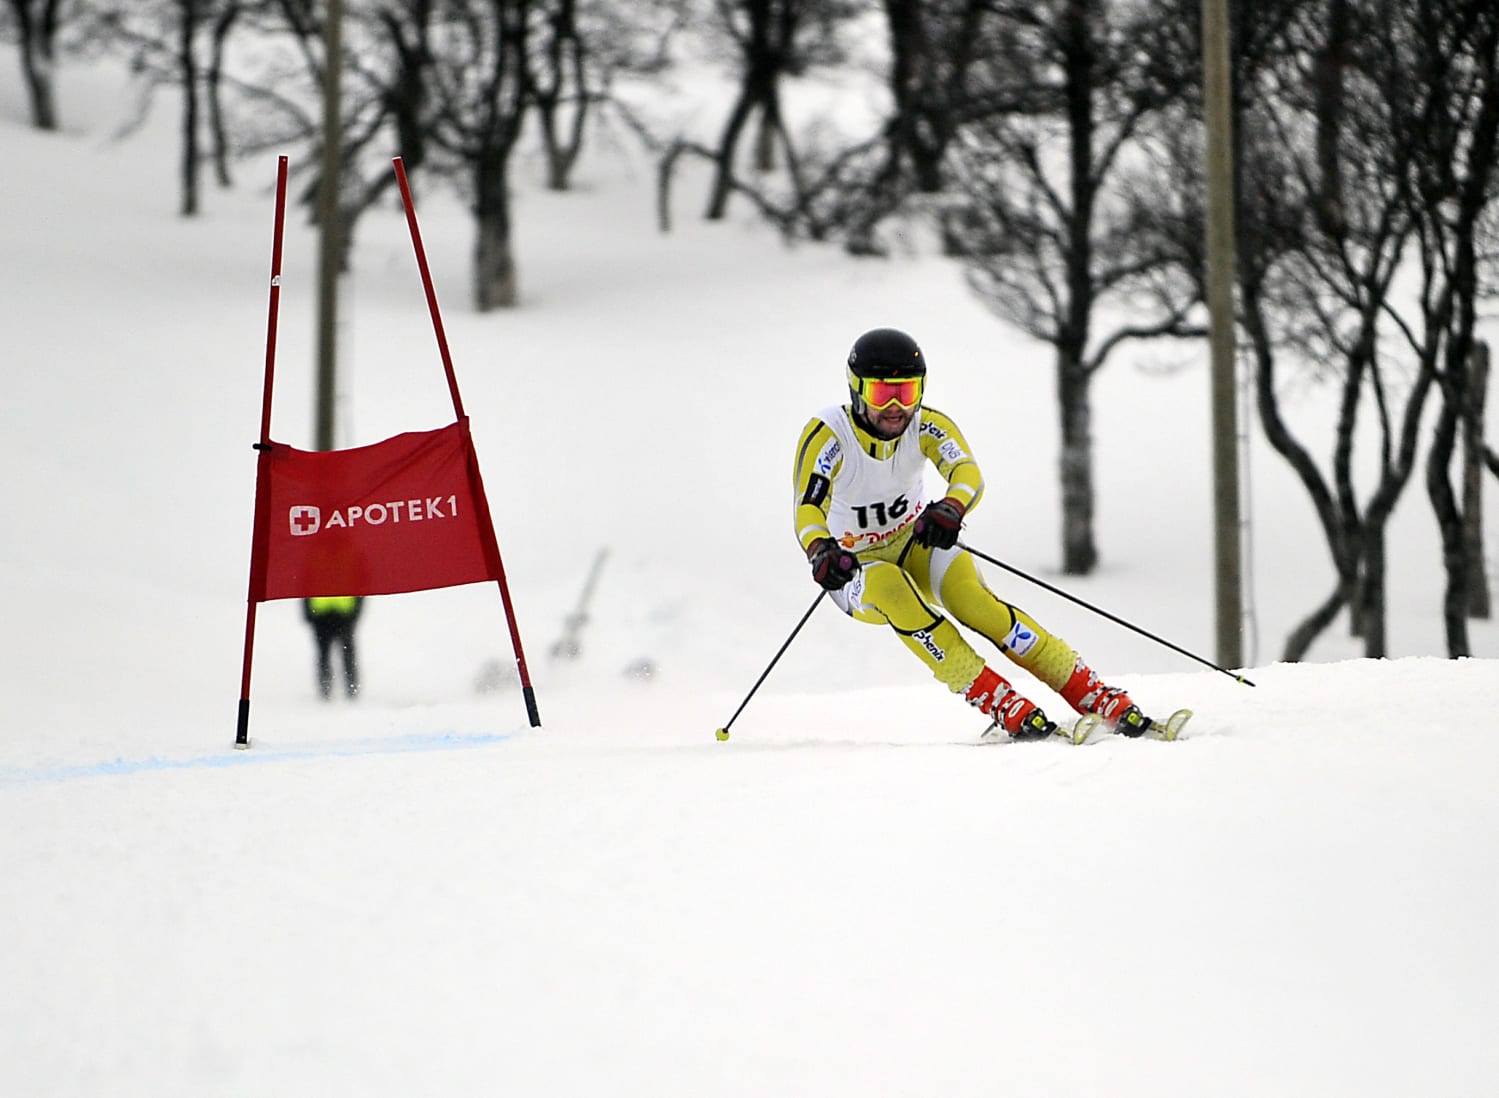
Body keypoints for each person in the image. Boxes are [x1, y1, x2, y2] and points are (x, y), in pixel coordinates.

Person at [791, 327, 1157, 741]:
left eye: (907, 393)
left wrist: (951, 507)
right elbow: (808, 507)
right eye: (881, 394)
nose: (895, 407)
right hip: (855, 565)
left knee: (977, 605)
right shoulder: (830, 435)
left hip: (915, 540)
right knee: (893, 591)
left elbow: (967, 473)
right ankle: (998, 700)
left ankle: (1090, 690)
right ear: (856, 390)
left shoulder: (927, 426)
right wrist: (820, 550)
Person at [303, 595, 362, 700]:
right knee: (324, 655)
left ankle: (351, 689)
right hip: (322, 616)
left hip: (343, 615)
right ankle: (325, 690)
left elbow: (359, 589)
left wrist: (355, 612)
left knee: (346, 655)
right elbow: (306, 589)